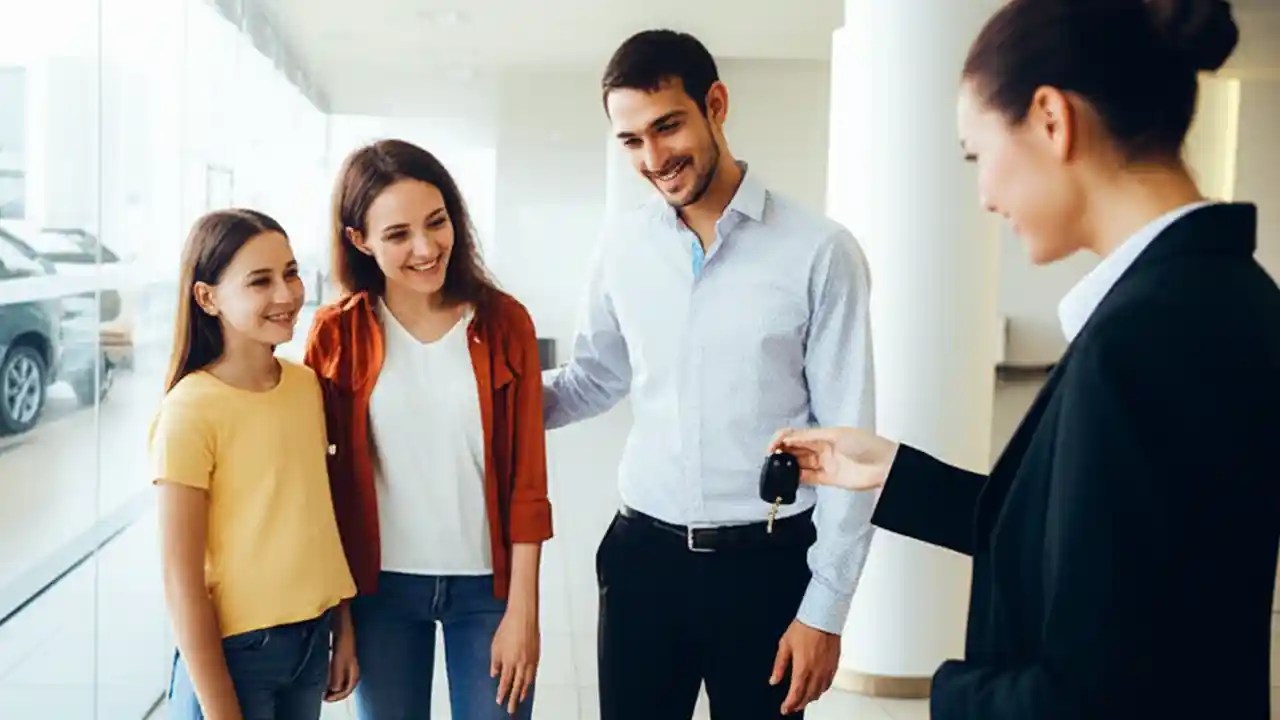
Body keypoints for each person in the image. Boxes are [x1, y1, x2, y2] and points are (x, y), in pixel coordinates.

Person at [772, 1, 1280, 718]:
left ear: (1051, 119)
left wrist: (950, 694)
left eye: (977, 155)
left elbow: (1092, 692)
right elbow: (1101, 545)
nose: (982, 195)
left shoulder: (1146, 338)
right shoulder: (1218, 295)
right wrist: (892, 474)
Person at [544, 29, 876, 719]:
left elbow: (849, 445)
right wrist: (486, 400)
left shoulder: (819, 252)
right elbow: (595, 380)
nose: (654, 158)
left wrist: (827, 610)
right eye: (631, 140)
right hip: (642, 560)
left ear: (715, 104)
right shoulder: (622, 245)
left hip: (765, 564)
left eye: (667, 126)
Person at [305, 139, 553, 719]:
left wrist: (524, 611)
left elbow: (527, 482)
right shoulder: (335, 335)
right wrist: (340, 617)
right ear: (359, 241)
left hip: (488, 593)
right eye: (397, 235)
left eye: (436, 222)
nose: (425, 248)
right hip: (379, 592)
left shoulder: (504, 322)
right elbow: (324, 489)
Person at [151, 209, 359, 720]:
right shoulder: (190, 408)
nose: (287, 294)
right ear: (208, 297)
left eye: (290, 272)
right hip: (232, 659)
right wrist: (221, 708)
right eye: (260, 281)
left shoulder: (306, 387)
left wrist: (342, 627)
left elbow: (318, 519)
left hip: (309, 645)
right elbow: (181, 582)